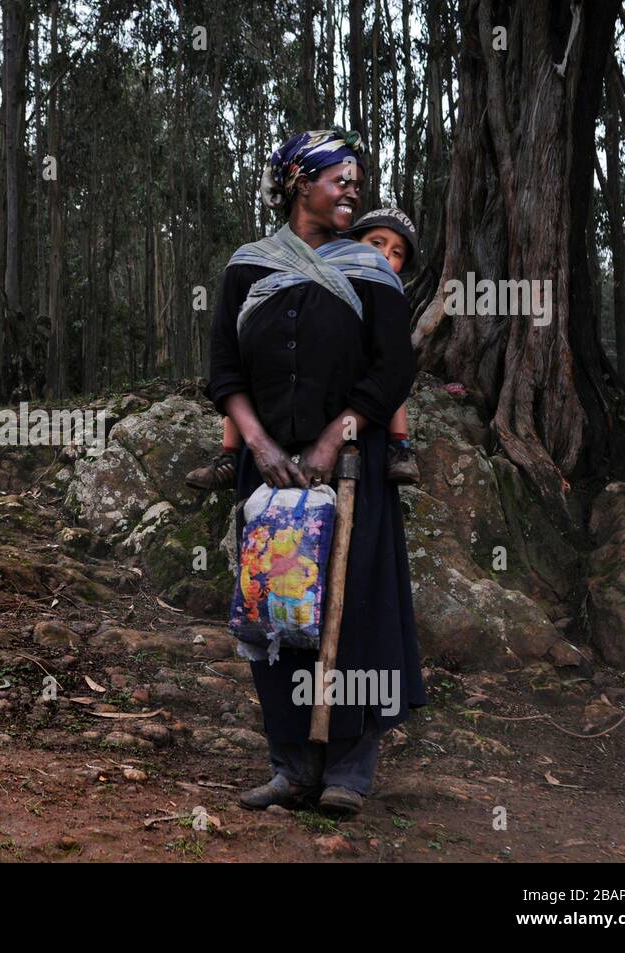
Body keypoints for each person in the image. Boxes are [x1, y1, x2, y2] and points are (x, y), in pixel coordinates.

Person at [203, 128, 425, 816]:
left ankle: (349, 771)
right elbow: (225, 371)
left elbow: (394, 367)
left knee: (352, 607)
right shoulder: (248, 266)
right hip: (270, 475)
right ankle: (291, 765)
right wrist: (262, 445)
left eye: (357, 181)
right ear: (302, 182)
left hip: (352, 470)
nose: (352, 190)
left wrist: (338, 433)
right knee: (275, 609)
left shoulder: (371, 269)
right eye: (339, 179)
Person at [185, 208, 421, 489]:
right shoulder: (269, 268)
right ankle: (230, 456)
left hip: (354, 442)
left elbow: (393, 368)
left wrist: (334, 439)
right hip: (271, 425)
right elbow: (227, 364)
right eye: (377, 243)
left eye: (397, 253)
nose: (384, 256)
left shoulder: (383, 291)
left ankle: (399, 446)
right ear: (352, 241)